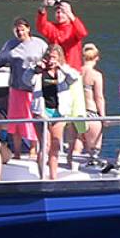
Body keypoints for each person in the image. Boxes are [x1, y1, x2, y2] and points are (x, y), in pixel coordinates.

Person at [0, 17, 47, 161]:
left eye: (22, 29)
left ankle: (34, 149)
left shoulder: (39, 43)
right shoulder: (11, 44)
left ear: (28, 28)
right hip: (16, 88)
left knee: (32, 119)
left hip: (34, 89)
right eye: (17, 30)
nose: (20, 32)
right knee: (15, 122)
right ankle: (16, 152)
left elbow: (49, 58)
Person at [30, 45, 79, 180]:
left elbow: (75, 77)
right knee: (44, 145)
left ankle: (53, 176)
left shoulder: (64, 72)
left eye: (54, 57)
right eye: (49, 57)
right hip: (41, 111)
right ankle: (42, 176)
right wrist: (35, 69)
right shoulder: (39, 71)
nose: (51, 60)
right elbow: (25, 80)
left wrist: (61, 66)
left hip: (59, 112)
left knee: (55, 145)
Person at [35, 0, 89, 68]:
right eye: (57, 12)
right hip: (55, 70)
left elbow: (83, 33)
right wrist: (43, 6)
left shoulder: (74, 28)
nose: (60, 15)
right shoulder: (52, 28)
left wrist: (70, 14)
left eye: (63, 12)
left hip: (72, 70)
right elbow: (41, 25)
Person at [80, 42, 107, 167]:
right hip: (91, 113)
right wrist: (103, 117)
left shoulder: (76, 72)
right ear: (96, 57)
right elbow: (99, 97)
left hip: (78, 113)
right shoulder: (96, 75)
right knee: (94, 149)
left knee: (77, 146)